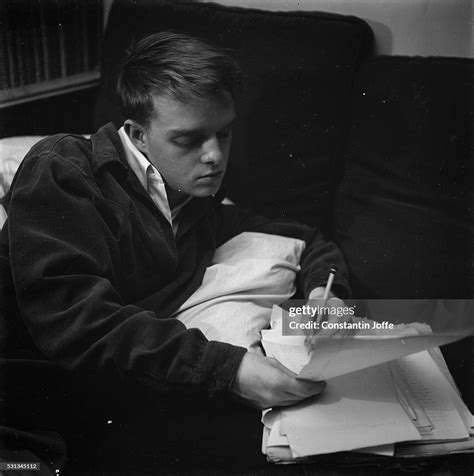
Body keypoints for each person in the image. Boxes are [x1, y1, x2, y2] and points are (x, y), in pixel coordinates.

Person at [0, 32, 350, 470]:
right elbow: (78, 325)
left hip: (128, 390)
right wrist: (231, 371)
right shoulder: (64, 171)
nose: (214, 157)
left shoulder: (195, 200)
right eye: (189, 140)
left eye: (223, 134)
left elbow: (305, 238)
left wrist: (325, 297)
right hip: (32, 394)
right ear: (137, 135)